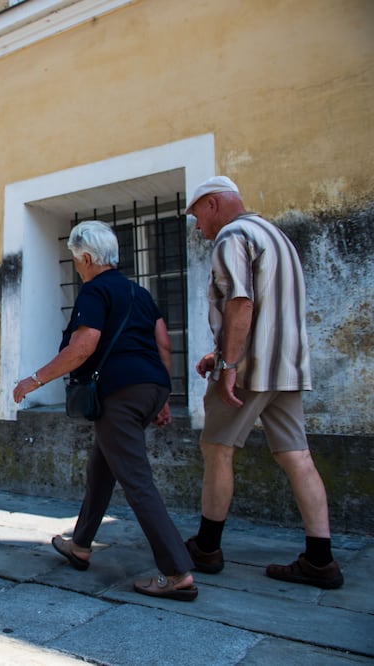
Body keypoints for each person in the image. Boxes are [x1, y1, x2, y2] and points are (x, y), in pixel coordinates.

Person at [13, 220, 197, 601]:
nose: (77, 268)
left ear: (86, 257)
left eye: (76, 261)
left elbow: (84, 346)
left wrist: (35, 380)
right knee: (103, 466)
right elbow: (162, 343)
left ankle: (176, 571)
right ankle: (80, 544)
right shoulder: (138, 292)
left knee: (136, 479)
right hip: (151, 386)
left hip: (120, 394)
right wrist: (161, 398)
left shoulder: (95, 291)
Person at [184, 176, 343, 589]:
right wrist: (220, 353)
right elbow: (268, 307)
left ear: (214, 204)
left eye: (197, 214)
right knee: (297, 456)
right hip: (287, 368)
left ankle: (206, 546)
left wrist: (229, 365)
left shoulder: (231, 237)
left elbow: (241, 303)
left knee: (216, 449)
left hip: (250, 370)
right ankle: (320, 559)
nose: (197, 226)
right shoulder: (278, 237)